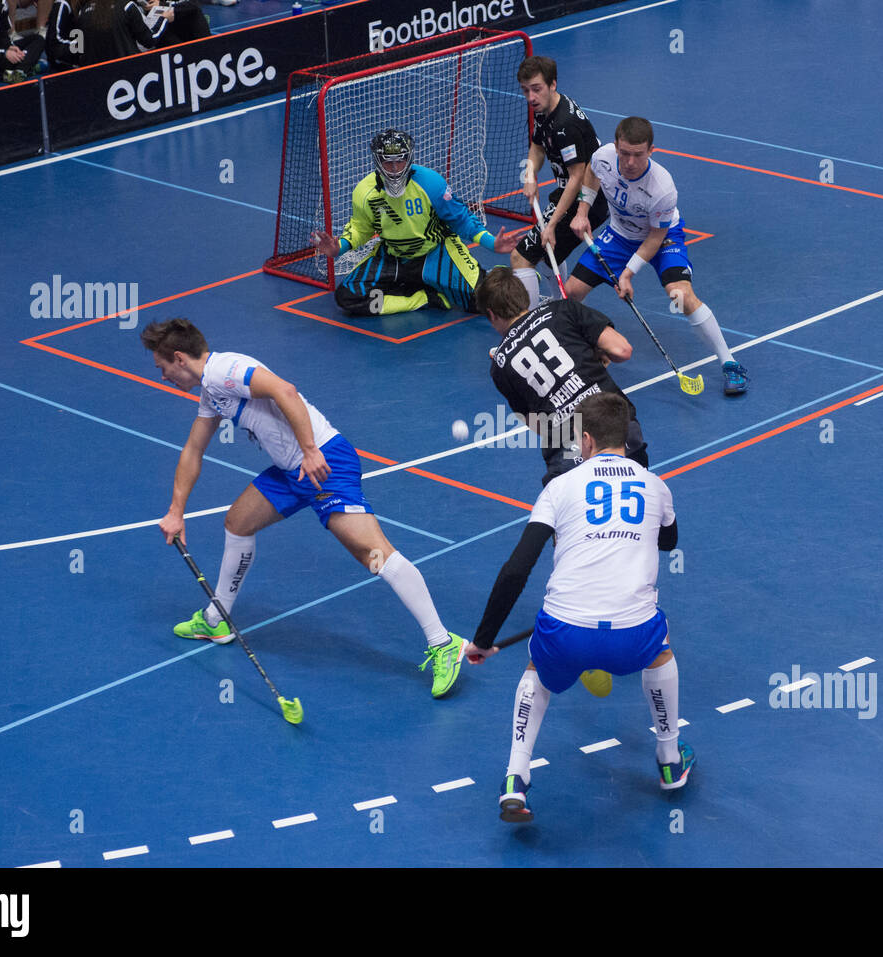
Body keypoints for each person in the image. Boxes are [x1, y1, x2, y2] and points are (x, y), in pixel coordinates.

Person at [141, 318, 468, 699]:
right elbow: (193, 450)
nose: (163, 376)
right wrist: (176, 511)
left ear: (178, 358)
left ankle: (443, 642)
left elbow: (285, 390)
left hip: (323, 461)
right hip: (291, 469)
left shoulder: (224, 371)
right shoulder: (211, 393)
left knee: (373, 553)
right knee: (238, 522)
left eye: (161, 367)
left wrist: (311, 450)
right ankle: (218, 619)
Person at [465, 391, 693, 822]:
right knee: (661, 650)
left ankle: (515, 778)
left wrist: (484, 640)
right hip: (633, 636)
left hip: (565, 633)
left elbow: (517, 569)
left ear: (584, 441)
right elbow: (669, 542)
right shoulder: (657, 486)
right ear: (625, 436)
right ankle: (669, 759)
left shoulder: (559, 487)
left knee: (537, 670)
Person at [567, 116, 748, 397]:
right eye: (624, 153)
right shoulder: (603, 157)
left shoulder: (662, 188)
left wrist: (627, 275)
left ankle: (730, 363)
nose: (629, 162)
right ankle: (585, 348)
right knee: (572, 291)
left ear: (651, 151)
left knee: (680, 295)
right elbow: (592, 172)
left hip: (662, 237)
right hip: (620, 235)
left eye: (637, 155)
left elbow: (654, 237)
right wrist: (582, 211)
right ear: (615, 147)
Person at [308, 128, 524, 317]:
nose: (394, 169)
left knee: (487, 303)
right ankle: (427, 298)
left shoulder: (430, 183)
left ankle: (511, 275)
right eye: (388, 162)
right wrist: (340, 247)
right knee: (348, 297)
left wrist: (491, 243)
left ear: (409, 158)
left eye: (400, 161)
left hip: (436, 254)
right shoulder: (364, 192)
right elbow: (360, 229)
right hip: (393, 257)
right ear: (377, 161)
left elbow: (461, 219)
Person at [476, 264, 646, 486]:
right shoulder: (563, 309)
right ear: (524, 295)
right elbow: (622, 350)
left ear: (491, 314)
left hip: (569, 449)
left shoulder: (499, 365)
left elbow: (536, 424)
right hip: (618, 428)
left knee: (565, 510)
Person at [510, 55, 609, 305]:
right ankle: (557, 309)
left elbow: (577, 177)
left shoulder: (565, 125)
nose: (531, 97)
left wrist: (551, 224)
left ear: (552, 84)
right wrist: (531, 174)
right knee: (549, 253)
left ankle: (529, 324)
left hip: (586, 197)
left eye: (536, 89)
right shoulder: (545, 108)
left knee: (521, 258)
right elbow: (537, 145)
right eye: (525, 90)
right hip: (568, 192)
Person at [75, 0, 167, 65]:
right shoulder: (126, 6)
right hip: (126, 71)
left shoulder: (82, 12)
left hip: (95, 76)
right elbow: (149, 40)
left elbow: (78, 50)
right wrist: (164, 18)